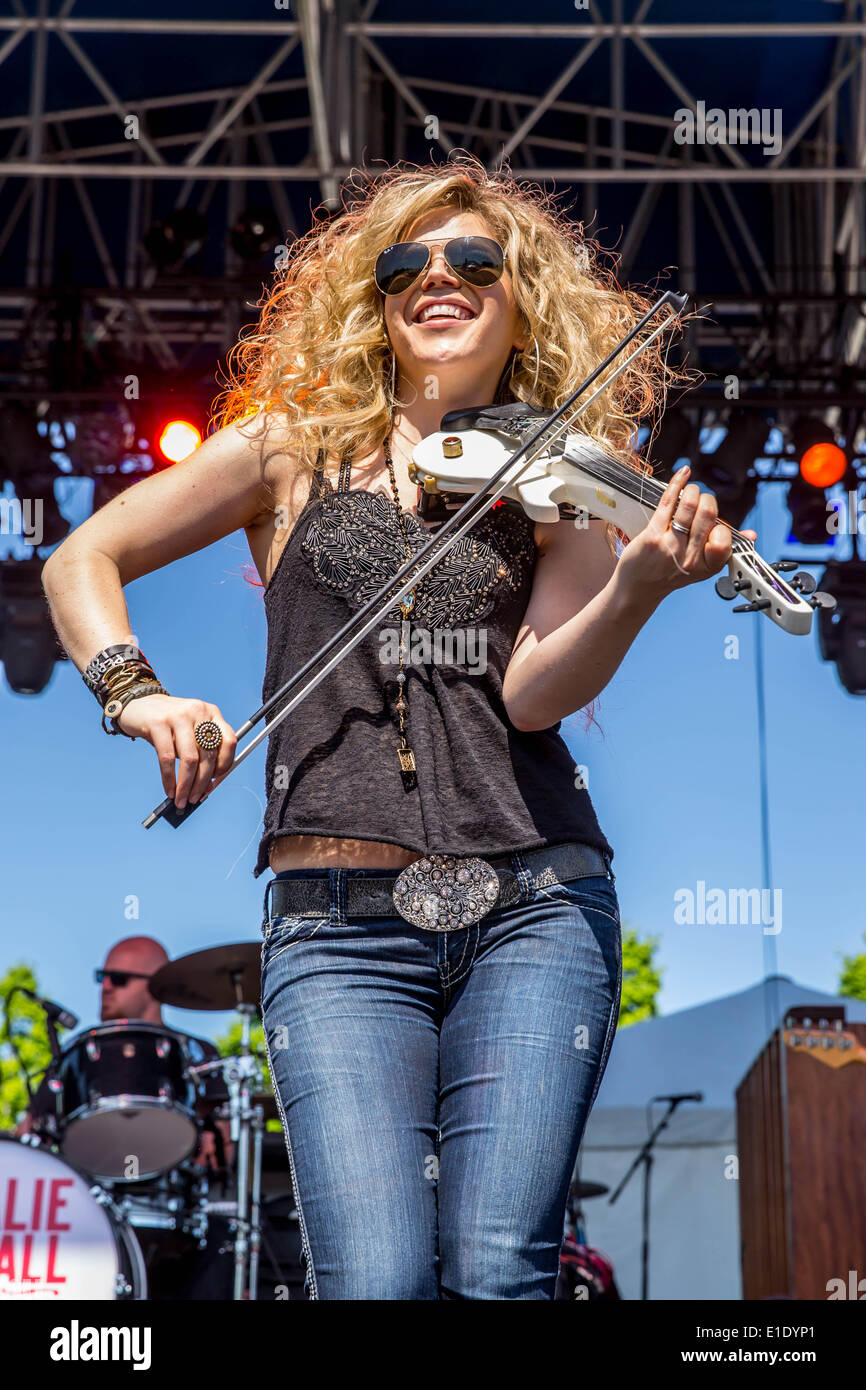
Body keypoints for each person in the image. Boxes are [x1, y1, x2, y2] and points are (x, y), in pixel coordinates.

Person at [41, 154, 747, 1299]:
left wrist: (634, 587)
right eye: (405, 261)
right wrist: (137, 691)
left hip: (533, 903)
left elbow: (529, 695)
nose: (438, 277)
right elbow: (85, 555)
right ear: (373, 299)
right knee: (370, 1281)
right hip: (333, 927)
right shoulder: (288, 447)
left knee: (497, 1269)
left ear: (518, 294)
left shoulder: (557, 473)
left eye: (474, 259)